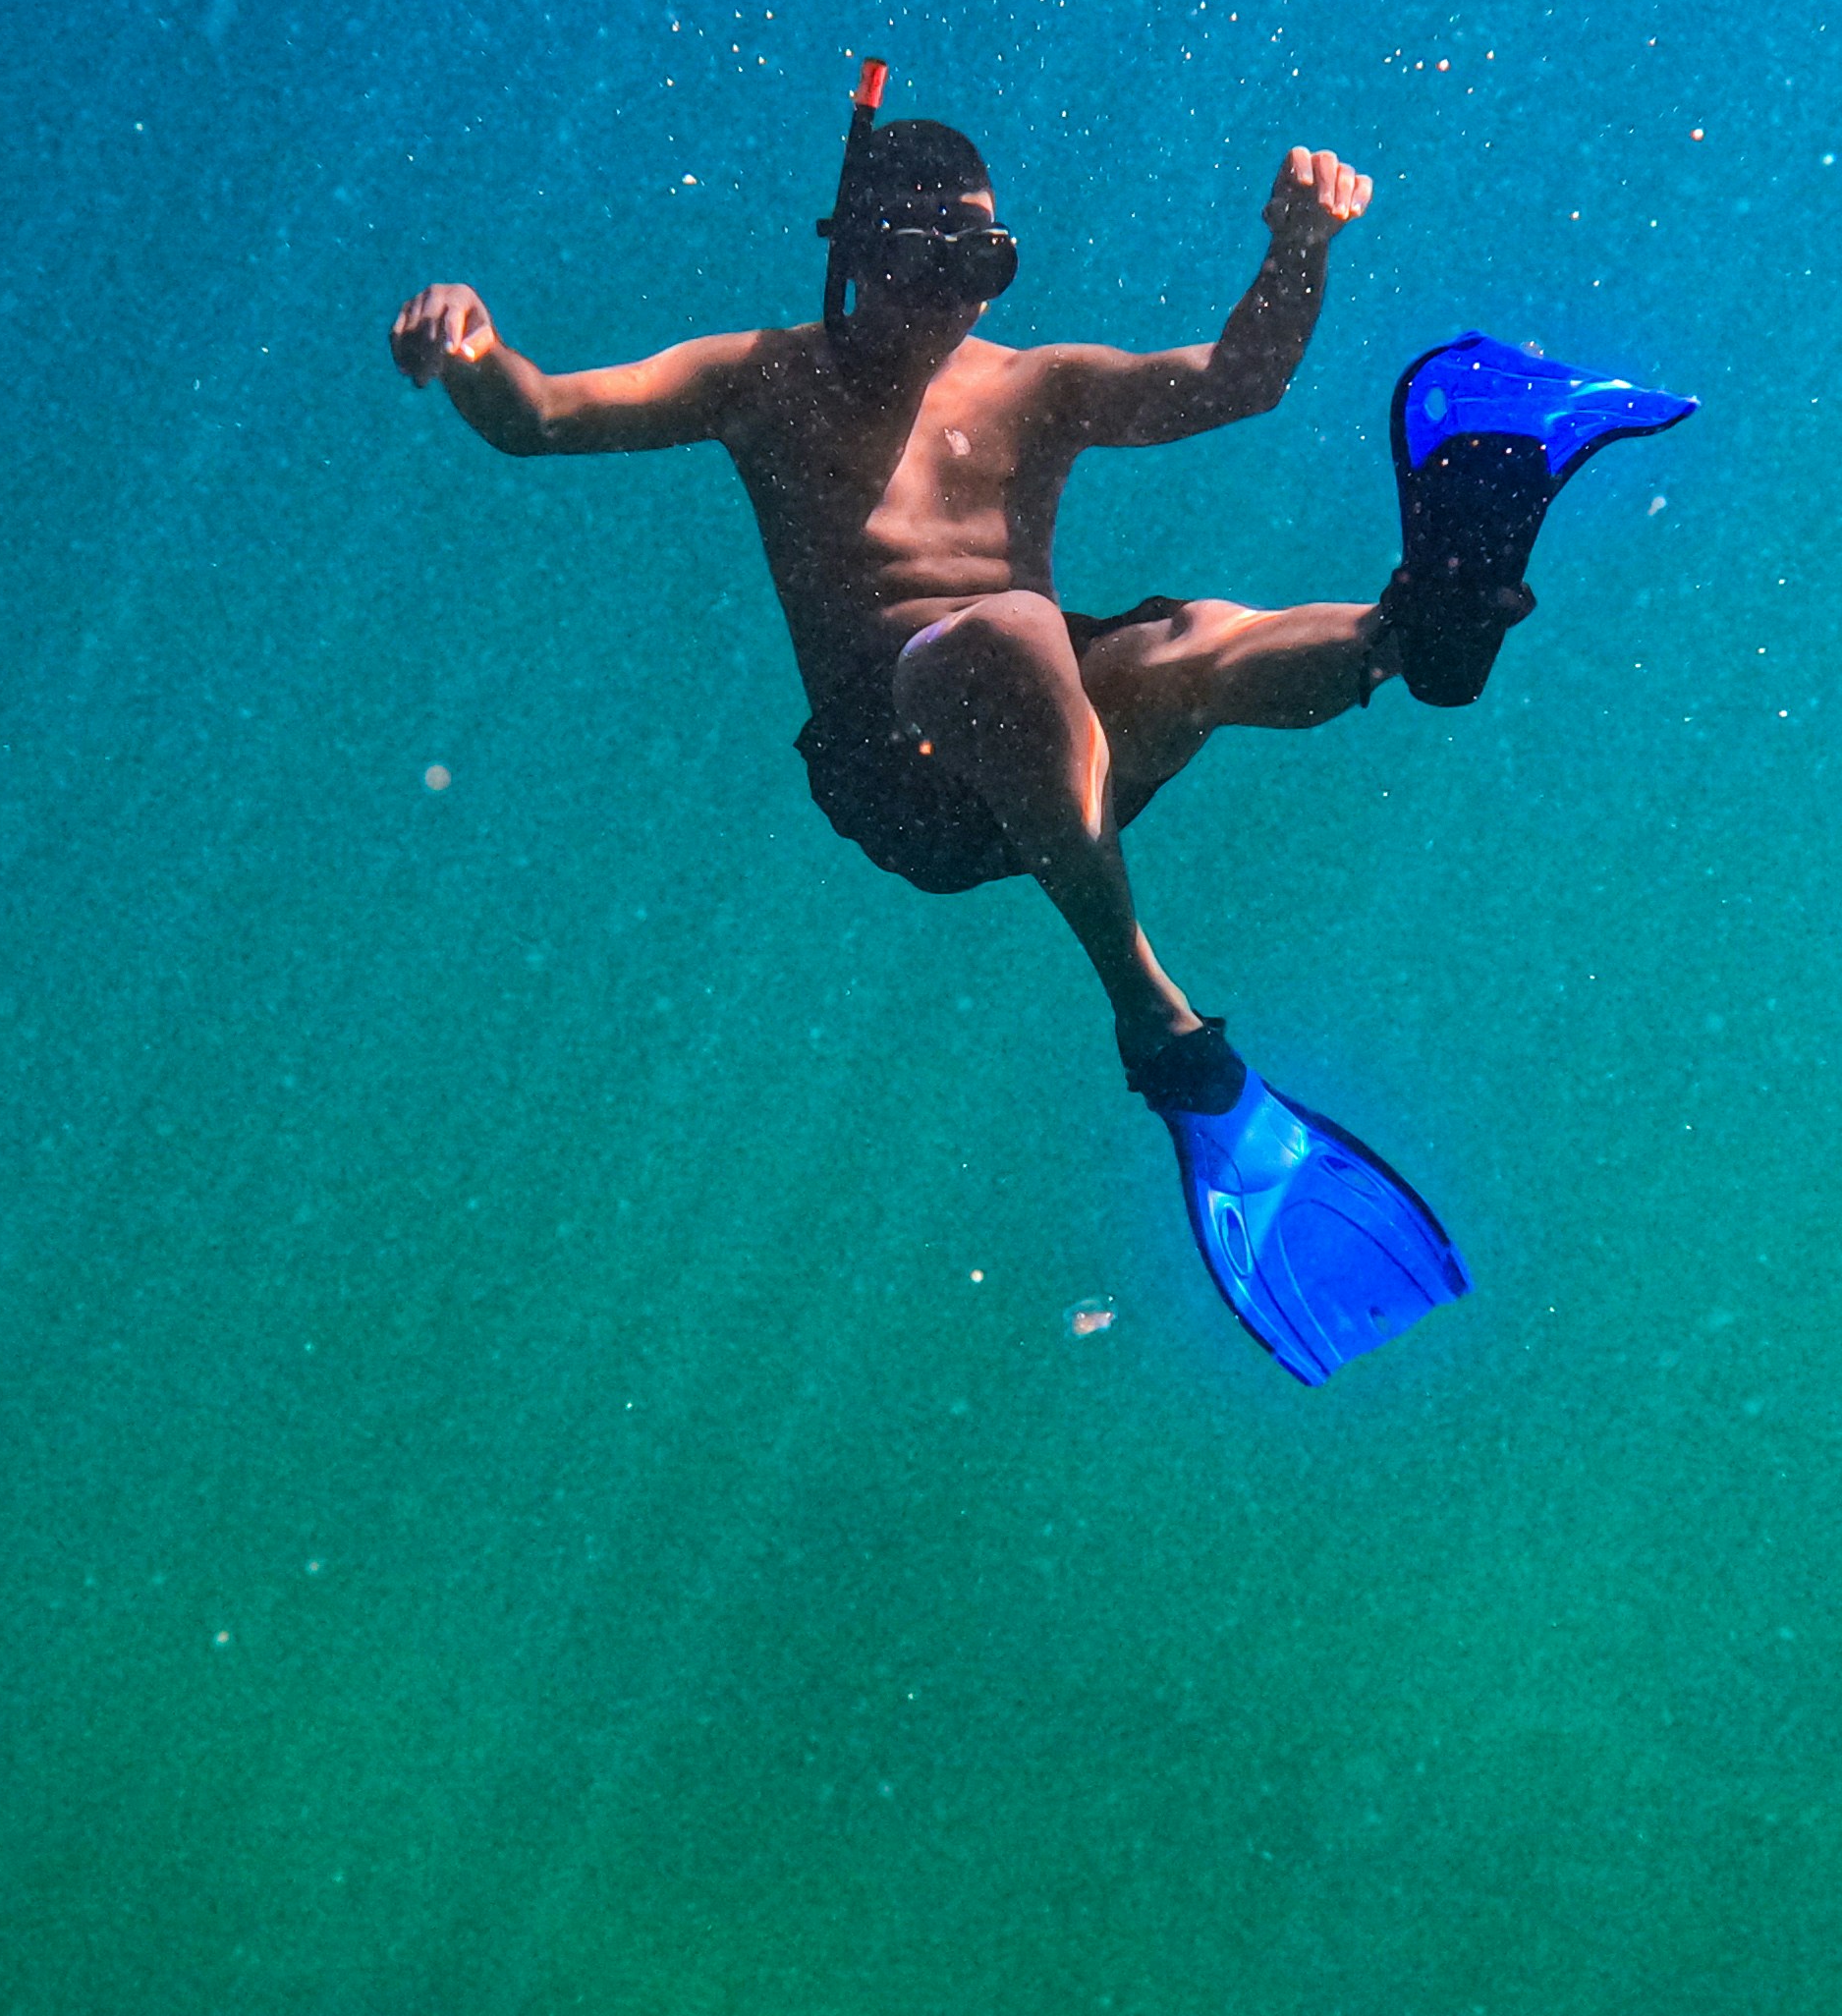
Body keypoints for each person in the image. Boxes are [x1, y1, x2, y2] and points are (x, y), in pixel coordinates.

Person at [386, 69, 1685, 1378]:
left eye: (982, 262)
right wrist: (474, 347)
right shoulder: (762, 381)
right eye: (915, 257)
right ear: (849, 250)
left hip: (1051, 742)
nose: (948, 295)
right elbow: (542, 418)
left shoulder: (1036, 386)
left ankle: (1418, 632)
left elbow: (1242, 380)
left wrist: (1299, 248)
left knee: (1190, 639)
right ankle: (1155, 1017)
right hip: (898, 777)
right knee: (1006, 633)